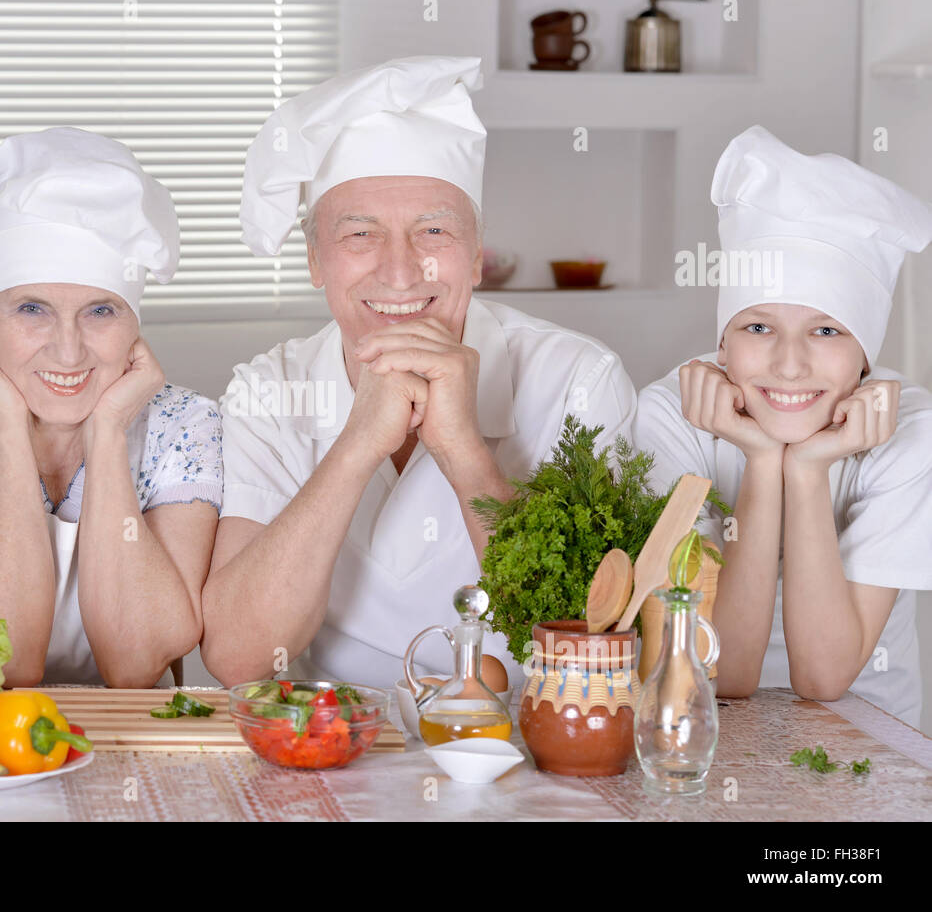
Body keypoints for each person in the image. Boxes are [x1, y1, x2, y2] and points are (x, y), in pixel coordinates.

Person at [201, 56, 637, 688]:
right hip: (337, 744)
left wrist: (464, 452)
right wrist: (357, 446)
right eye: (359, 235)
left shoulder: (579, 379)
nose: (401, 272)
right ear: (315, 260)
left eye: (433, 230)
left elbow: (593, 641)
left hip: (518, 741)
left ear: (478, 256)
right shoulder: (268, 392)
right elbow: (239, 659)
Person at [0, 127, 222, 688]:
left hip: (129, 743)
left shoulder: (183, 424)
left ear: (136, 325)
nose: (67, 349)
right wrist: (6, 429)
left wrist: (107, 434)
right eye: (31, 308)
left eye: (100, 311)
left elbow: (135, 663)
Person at [632, 125, 932, 726]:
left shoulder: (910, 432)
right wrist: (764, 464)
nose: (790, 365)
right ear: (723, 345)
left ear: (865, 355)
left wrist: (809, 468)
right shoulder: (670, 417)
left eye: (826, 330)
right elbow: (725, 674)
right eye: (758, 327)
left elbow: (824, 679)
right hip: (701, 727)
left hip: (867, 736)